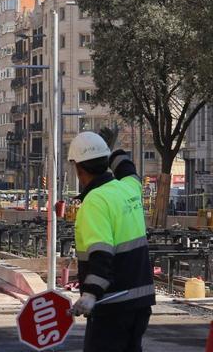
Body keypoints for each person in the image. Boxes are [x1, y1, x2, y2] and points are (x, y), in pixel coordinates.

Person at [68, 131, 154, 352]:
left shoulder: (95, 201)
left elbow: (101, 253)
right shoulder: (129, 187)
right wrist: (111, 150)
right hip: (141, 301)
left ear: (79, 169)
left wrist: (91, 294)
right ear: (105, 161)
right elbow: (127, 167)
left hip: (112, 305)